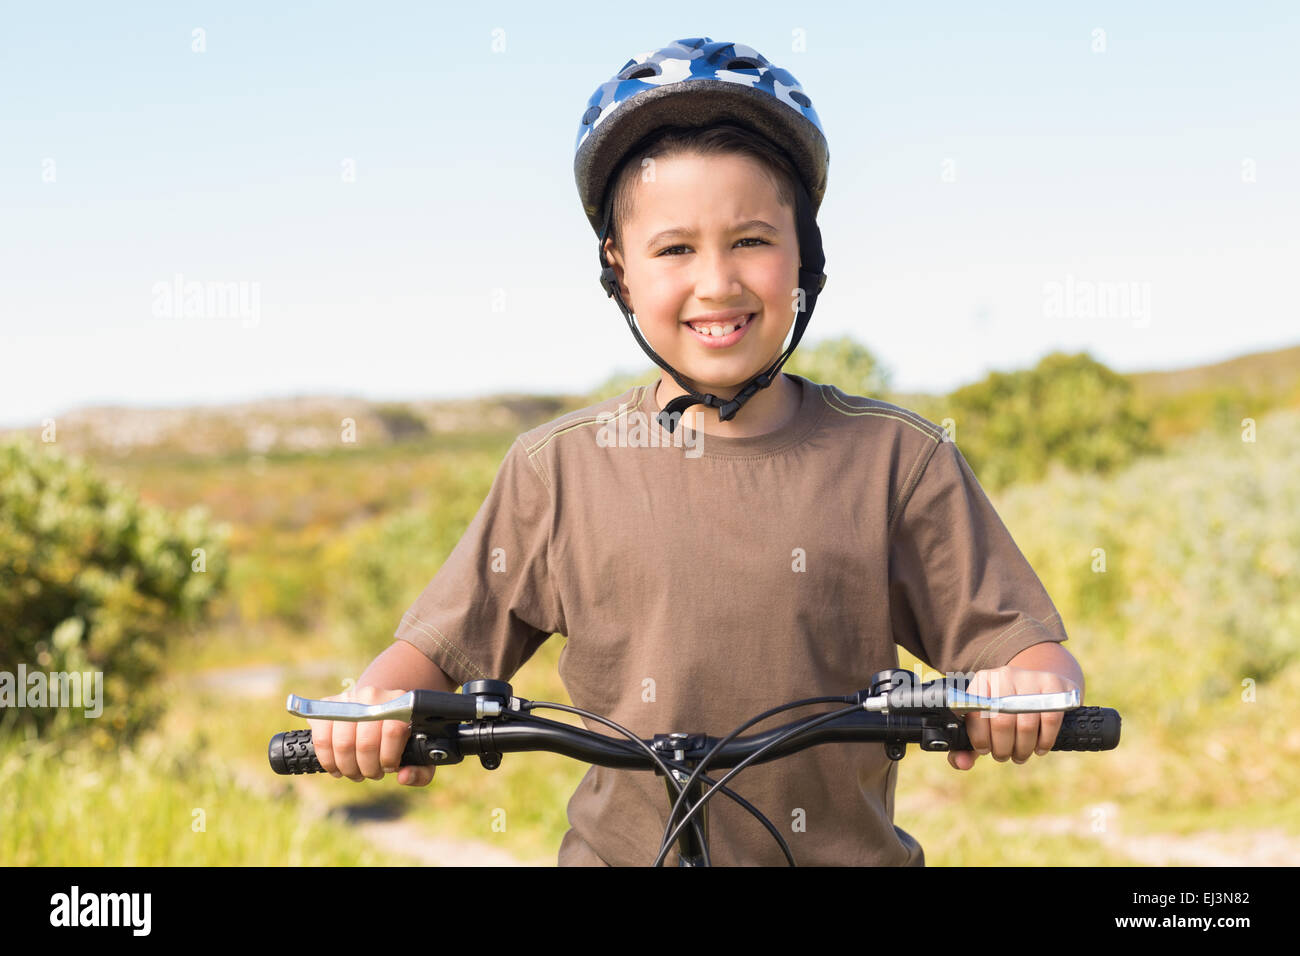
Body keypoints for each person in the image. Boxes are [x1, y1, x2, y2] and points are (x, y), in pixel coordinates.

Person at [307, 37, 1084, 866]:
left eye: (751, 240)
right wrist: (380, 704)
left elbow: (1029, 650)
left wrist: (1027, 692)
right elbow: (434, 651)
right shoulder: (559, 470)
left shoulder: (898, 461)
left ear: (805, 256)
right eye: (674, 249)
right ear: (620, 270)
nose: (716, 283)